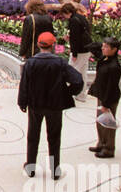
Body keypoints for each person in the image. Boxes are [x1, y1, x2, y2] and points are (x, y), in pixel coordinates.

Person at [17, 31, 84, 179]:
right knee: (54, 137)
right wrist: (67, 93)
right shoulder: (59, 63)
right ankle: (54, 170)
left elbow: (24, 85)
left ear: (38, 45)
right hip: (55, 106)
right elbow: (78, 80)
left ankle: (31, 167)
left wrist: (22, 102)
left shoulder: (31, 63)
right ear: (53, 45)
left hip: (36, 105)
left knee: (33, 136)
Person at [87, 37, 121, 158]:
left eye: (106, 47)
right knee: (100, 122)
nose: (103, 48)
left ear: (114, 50)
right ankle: (101, 143)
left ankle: (109, 148)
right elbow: (91, 46)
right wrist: (102, 44)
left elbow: (111, 87)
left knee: (108, 124)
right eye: (103, 46)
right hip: (101, 95)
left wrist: (106, 105)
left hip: (109, 98)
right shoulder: (104, 58)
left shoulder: (114, 66)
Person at [60, 2, 92, 102]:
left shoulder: (73, 21)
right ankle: (81, 95)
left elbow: (75, 39)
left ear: (68, 12)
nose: (64, 16)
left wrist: (74, 53)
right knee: (82, 72)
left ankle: (69, 94)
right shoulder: (81, 17)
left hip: (80, 51)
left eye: (64, 14)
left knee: (72, 72)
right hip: (87, 49)